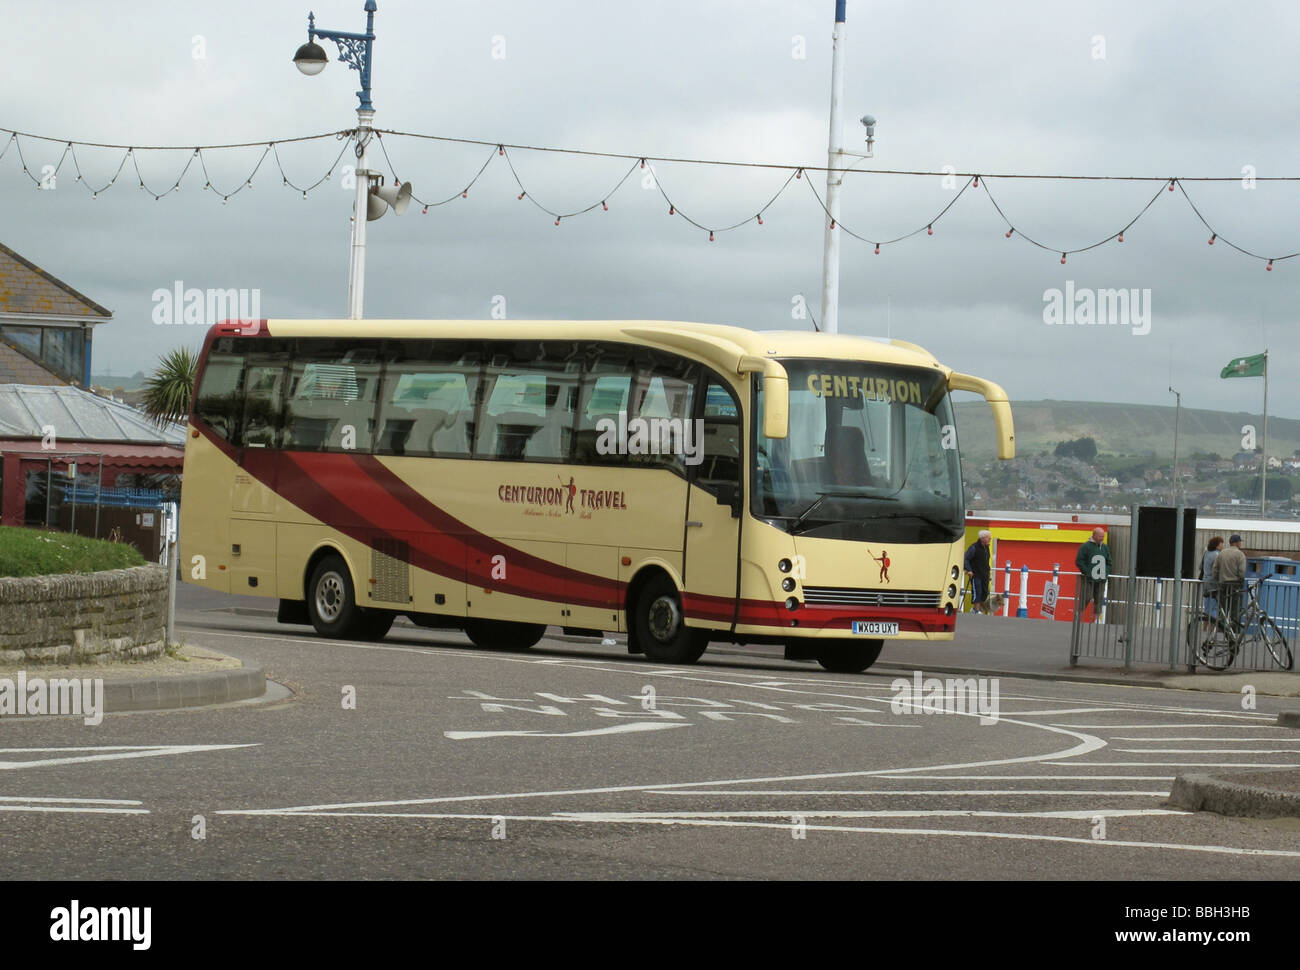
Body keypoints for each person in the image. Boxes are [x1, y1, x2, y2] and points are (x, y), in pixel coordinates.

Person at [1075, 527, 1112, 624]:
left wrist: (1105, 573)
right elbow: (1079, 561)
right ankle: (1078, 618)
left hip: (1101, 579)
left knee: (1099, 599)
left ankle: (1097, 620)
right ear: (1094, 535)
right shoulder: (1085, 546)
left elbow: (1109, 562)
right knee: (1085, 597)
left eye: (1103, 536)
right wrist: (1087, 572)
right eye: (1100, 536)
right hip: (1088, 579)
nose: (1102, 538)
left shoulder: (1105, 547)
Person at [1213, 534, 1247, 640]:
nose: (1240, 544)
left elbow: (1215, 569)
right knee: (1235, 610)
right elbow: (1242, 572)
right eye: (1240, 542)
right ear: (1237, 543)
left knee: (1223, 609)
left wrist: (1218, 579)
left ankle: (1221, 631)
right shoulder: (1240, 554)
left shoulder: (1222, 553)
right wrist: (1241, 580)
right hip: (1235, 585)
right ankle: (1233, 634)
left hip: (1223, 584)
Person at [963, 530, 993, 614]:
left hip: (984, 574)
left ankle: (975, 610)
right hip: (976, 574)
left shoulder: (986, 548)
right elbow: (966, 559)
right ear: (982, 538)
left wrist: (988, 574)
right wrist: (969, 570)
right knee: (977, 591)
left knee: (985, 592)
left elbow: (986, 562)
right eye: (988, 537)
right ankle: (976, 610)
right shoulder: (974, 547)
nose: (990, 539)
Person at [1200, 536, 1223, 631]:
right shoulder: (1217, 555)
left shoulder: (1206, 553)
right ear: (1217, 545)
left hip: (1206, 581)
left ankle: (1204, 629)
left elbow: (1200, 566)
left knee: (1207, 607)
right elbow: (1218, 569)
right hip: (1214, 583)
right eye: (1221, 543)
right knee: (1214, 607)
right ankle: (1211, 629)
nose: (1223, 546)